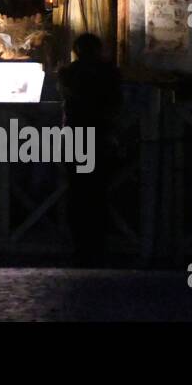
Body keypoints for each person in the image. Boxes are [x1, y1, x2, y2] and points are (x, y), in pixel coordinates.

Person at [58, 34, 123, 266]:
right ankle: (98, 244)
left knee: (77, 191)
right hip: (101, 135)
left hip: (76, 136)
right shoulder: (110, 73)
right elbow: (116, 103)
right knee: (98, 192)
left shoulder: (68, 74)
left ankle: (80, 245)